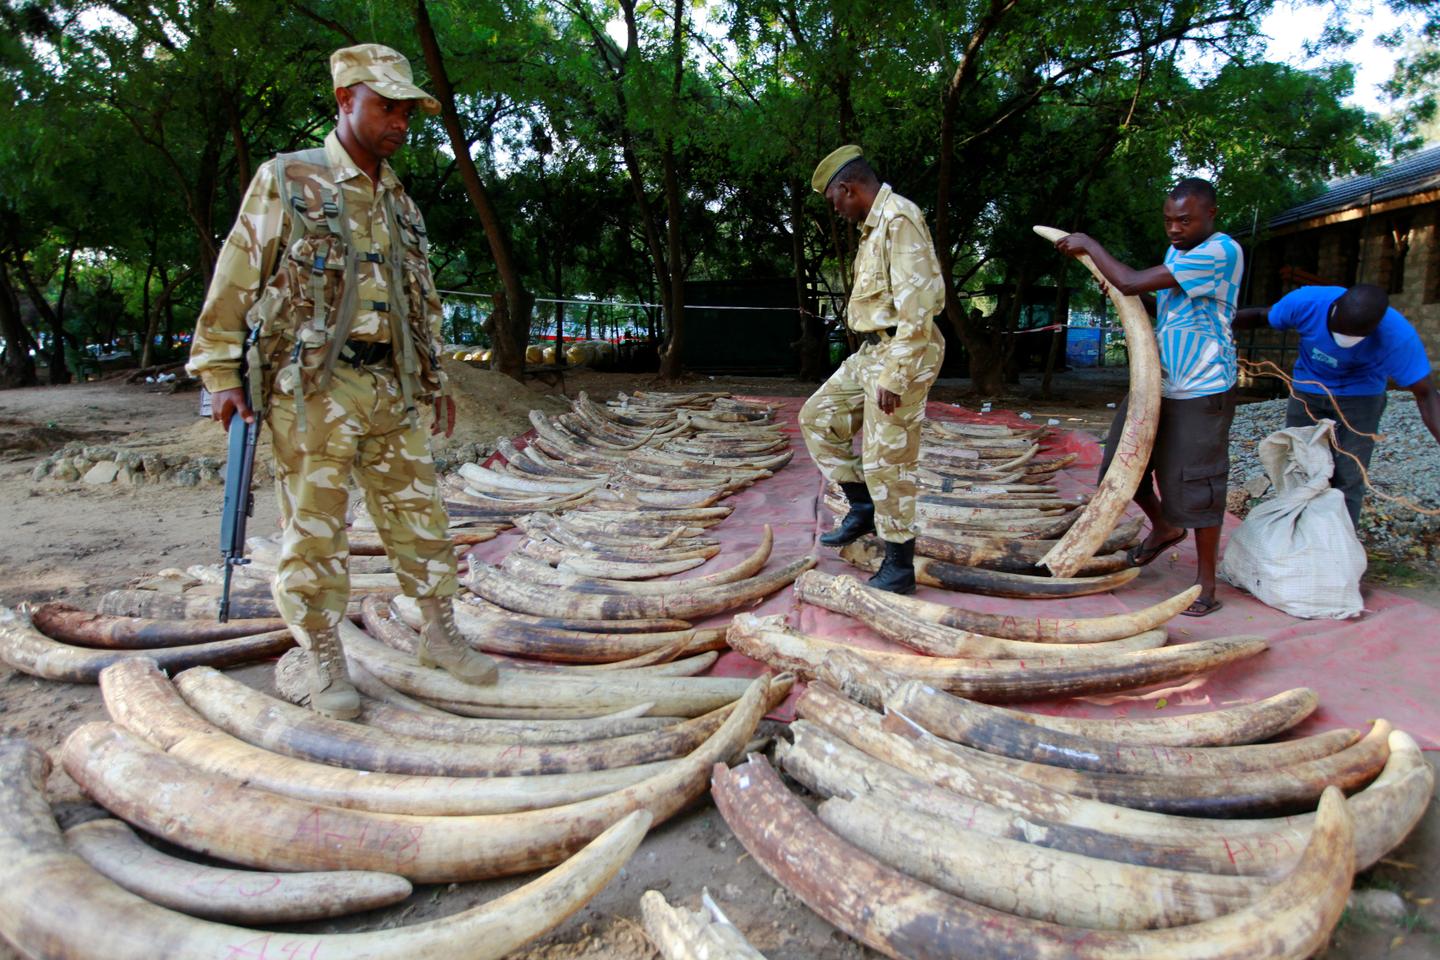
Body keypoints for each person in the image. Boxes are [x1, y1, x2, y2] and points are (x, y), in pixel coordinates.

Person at [188, 43, 497, 719]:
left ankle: (440, 636)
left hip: (392, 387)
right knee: (316, 533)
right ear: (344, 100)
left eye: (406, 110)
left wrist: (437, 379)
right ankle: (325, 656)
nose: (399, 122)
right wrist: (218, 372)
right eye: (385, 106)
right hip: (312, 391)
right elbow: (236, 276)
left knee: (423, 518)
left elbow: (421, 298)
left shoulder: (398, 199)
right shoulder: (288, 179)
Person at [1054, 178, 1242, 617]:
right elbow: (1167, 305)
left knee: (1196, 486)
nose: (1174, 229)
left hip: (1202, 388)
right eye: (1168, 220)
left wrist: (1089, 247)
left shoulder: (1221, 251)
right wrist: (1123, 287)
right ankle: (1164, 526)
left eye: (1185, 220)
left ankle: (1206, 586)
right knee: (1118, 470)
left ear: (1211, 215)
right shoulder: (1180, 252)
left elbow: (1132, 280)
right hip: (1157, 382)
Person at [799, 145, 946, 594]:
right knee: (818, 418)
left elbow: (918, 309)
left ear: (848, 188)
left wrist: (896, 375)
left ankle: (899, 566)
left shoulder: (899, 219)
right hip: (871, 352)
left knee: (888, 462)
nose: (836, 210)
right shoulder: (872, 227)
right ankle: (862, 507)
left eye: (834, 201)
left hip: (902, 353)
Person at [1233, 284, 1440, 526]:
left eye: (1355, 336)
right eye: (1340, 331)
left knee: (1348, 477)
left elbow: (1426, 395)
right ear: (1333, 309)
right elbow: (1260, 316)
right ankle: (1294, 538)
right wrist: (1218, 323)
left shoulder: (1397, 337)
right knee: (1298, 469)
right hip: (1307, 393)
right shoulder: (1306, 303)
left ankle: (1338, 548)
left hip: (1361, 399)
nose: (1344, 341)